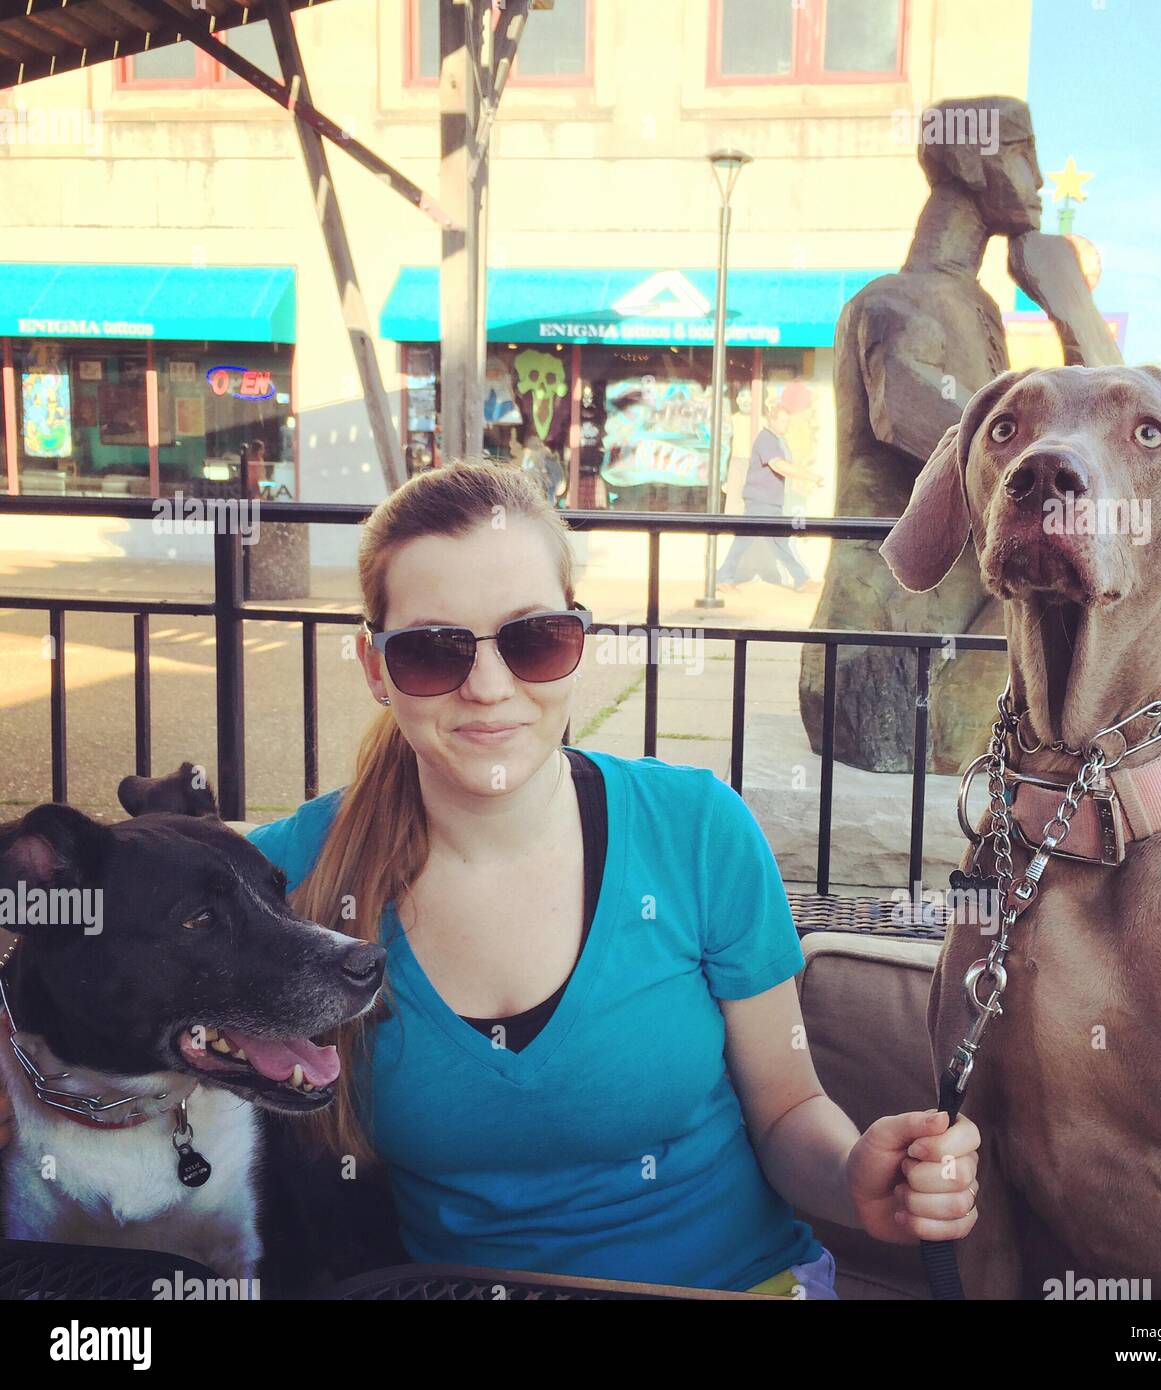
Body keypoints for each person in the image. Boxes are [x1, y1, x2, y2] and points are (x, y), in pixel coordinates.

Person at [0, 462, 980, 1297]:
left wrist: (859, 1174)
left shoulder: (696, 830)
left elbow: (787, 1108)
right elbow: (112, 948)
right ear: (376, 669)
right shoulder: (283, 877)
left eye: (533, 637)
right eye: (433, 650)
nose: (488, 684)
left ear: (579, 641)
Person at [716, 396, 823, 594]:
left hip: (767, 500)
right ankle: (802, 580)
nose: (786, 425)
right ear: (771, 420)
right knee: (766, 540)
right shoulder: (766, 438)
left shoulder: (775, 440)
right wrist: (811, 477)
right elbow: (778, 465)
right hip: (761, 500)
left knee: (761, 540)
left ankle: (723, 577)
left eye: (787, 422)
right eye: (782, 421)